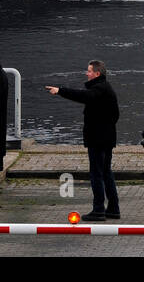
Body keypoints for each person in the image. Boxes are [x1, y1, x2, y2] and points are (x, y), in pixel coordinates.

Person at [45, 60, 120, 221]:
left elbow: (82, 96)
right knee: (106, 172)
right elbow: (115, 115)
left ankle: (99, 209)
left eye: (89, 71)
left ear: (97, 74)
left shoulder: (99, 89)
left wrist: (60, 91)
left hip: (98, 139)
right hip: (107, 138)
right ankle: (113, 208)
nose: (87, 73)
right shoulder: (106, 88)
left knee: (97, 174)